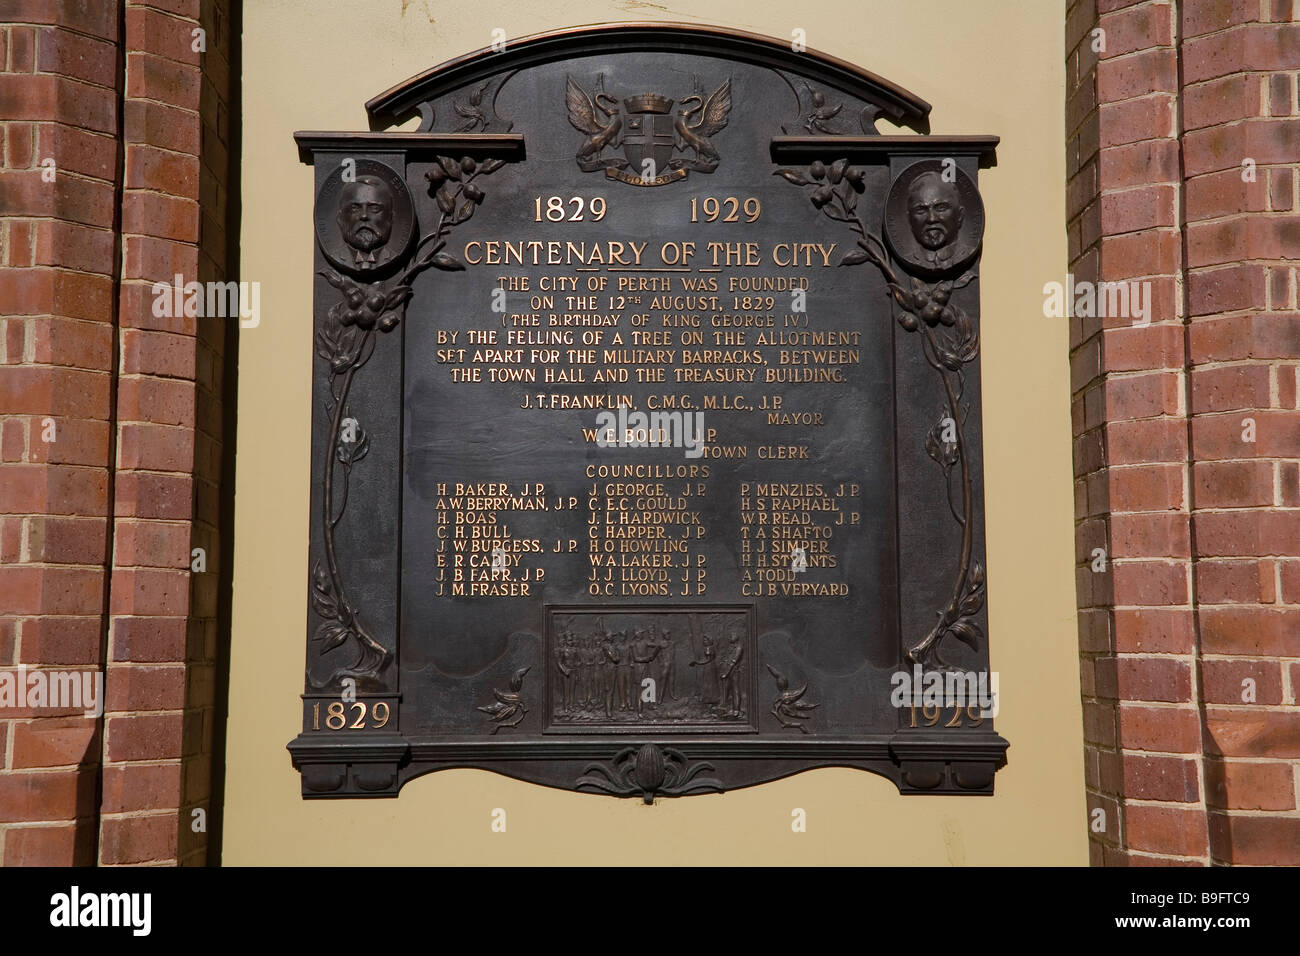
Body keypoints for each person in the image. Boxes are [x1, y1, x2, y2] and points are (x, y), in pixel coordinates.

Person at [906, 170, 964, 269]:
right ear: (909, 219)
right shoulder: (908, 258)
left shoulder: (966, 253)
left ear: (959, 215)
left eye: (941, 208)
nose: (931, 219)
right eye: (921, 210)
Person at [335, 175, 394, 270]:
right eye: (354, 208)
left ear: (390, 218)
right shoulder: (336, 257)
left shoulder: (394, 256)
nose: (364, 215)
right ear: (340, 219)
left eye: (375, 208)